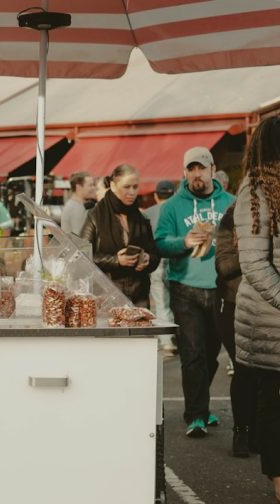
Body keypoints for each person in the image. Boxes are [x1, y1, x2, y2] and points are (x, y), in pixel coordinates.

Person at [155, 146, 234, 438]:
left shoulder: (230, 202)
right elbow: (160, 243)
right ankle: (196, 414)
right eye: (191, 169)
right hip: (185, 289)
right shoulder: (173, 206)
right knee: (192, 354)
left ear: (213, 169)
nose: (196, 174)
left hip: (220, 288)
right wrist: (183, 242)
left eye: (201, 168)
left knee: (212, 355)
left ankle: (201, 404)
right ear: (185, 172)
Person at [234, 116, 280, 504]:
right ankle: (279, 478)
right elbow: (254, 264)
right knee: (274, 400)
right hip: (269, 318)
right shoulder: (255, 191)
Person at [80, 164, 159, 307]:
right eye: (126, 187)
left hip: (139, 294)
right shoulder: (96, 215)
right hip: (106, 295)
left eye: (135, 187)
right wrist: (116, 260)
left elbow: (155, 254)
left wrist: (147, 259)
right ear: (113, 186)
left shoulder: (141, 217)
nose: (132, 192)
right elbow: (81, 254)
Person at [215, 203, 258, 457]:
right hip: (230, 304)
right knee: (243, 368)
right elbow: (224, 267)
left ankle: (258, 433)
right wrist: (254, 251)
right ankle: (241, 431)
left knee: (263, 372)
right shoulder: (230, 217)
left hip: (263, 305)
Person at [143, 180, 177, 354]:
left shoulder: (147, 213)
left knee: (161, 302)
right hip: (177, 260)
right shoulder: (176, 209)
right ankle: (180, 337)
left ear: (156, 196)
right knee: (177, 302)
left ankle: (167, 342)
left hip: (156, 262)